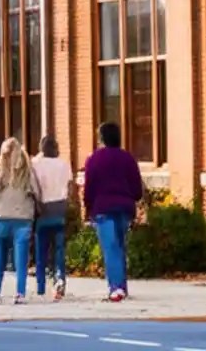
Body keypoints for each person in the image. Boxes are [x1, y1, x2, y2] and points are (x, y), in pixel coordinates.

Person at [83, 122, 144, 302]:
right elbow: (136, 187)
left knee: (111, 248)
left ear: (101, 138)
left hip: (103, 208)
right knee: (120, 246)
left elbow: (89, 187)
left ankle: (116, 288)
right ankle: (121, 286)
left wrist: (87, 207)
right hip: (124, 207)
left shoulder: (94, 159)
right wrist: (132, 198)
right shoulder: (127, 158)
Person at [0, 137, 41, 305]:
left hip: (2, 217)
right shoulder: (27, 171)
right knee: (21, 259)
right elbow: (36, 192)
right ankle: (20, 293)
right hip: (23, 218)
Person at [32, 135, 73, 300]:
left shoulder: (36, 164)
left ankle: (41, 286)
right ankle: (60, 279)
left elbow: (33, 187)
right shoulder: (63, 164)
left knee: (41, 249)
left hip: (42, 209)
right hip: (59, 208)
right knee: (59, 249)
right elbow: (70, 187)